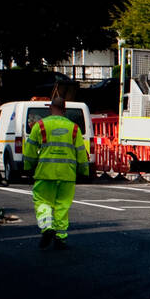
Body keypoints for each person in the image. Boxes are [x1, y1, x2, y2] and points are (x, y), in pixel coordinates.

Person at [24, 94, 89, 250]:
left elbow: (30, 150)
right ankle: (60, 237)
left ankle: (47, 228)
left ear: (51, 108)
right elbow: (81, 152)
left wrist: (27, 167)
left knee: (42, 201)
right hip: (67, 174)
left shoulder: (39, 126)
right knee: (62, 206)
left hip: (45, 173)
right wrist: (84, 171)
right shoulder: (74, 128)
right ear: (64, 110)